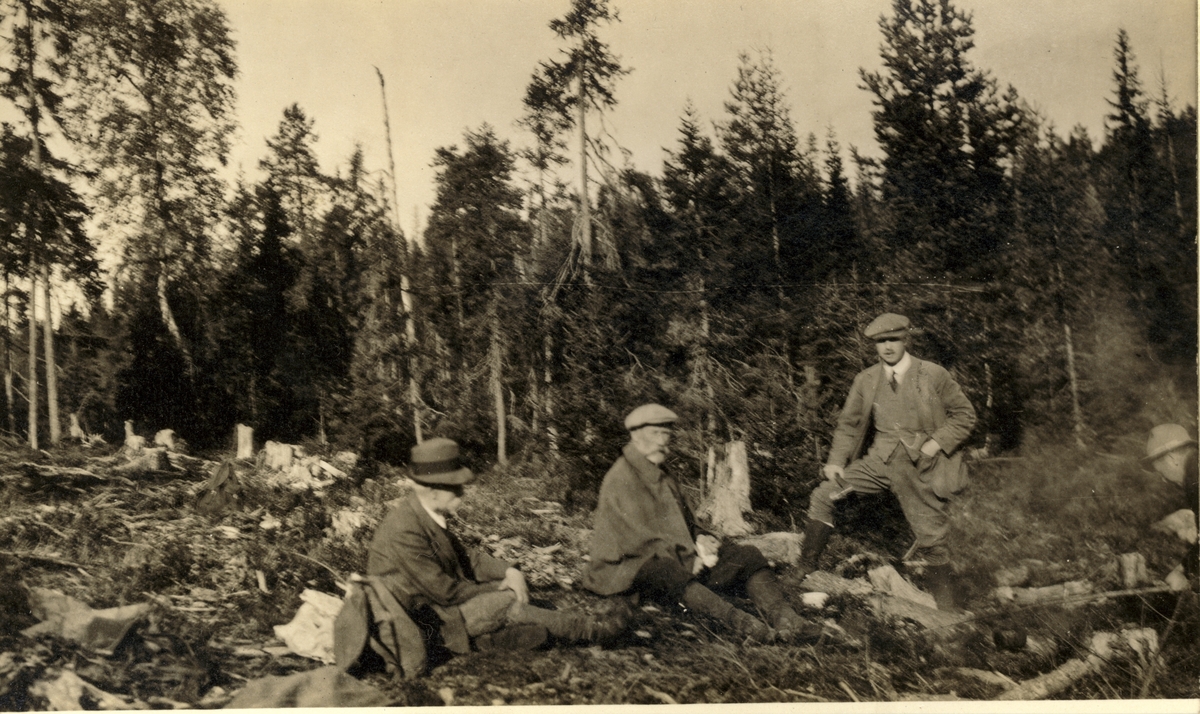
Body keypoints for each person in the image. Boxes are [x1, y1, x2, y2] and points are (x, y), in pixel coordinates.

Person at [337, 435, 628, 678]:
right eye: (455, 487)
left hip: (441, 611)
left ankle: (489, 641)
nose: (462, 493)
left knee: (517, 597)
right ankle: (591, 630)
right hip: (428, 622)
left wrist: (508, 571)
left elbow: (468, 558)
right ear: (432, 490)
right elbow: (445, 591)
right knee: (508, 602)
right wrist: (501, 587)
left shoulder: (425, 514)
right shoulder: (404, 529)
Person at [583, 403, 826, 643]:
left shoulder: (663, 475)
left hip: (677, 559)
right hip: (624, 570)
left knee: (748, 555)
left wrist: (701, 536)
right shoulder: (621, 477)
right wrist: (688, 559)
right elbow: (637, 542)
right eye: (655, 433)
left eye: (666, 434)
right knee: (665, 571)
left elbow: (686, 521)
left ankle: (788, 621)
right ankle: (747, 626)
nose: (662, 441)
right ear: (635, 436)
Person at [798, 313, 977, 610]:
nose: (888, 347)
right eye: (881, 342)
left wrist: (934, 445)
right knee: (823, 495)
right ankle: (804, 569)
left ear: (906, 339)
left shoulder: (932, 374)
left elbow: (965, 415)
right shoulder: (866, 379)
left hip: (921, 467)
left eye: (893, 339)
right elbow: (849, 424)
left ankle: (947, 612)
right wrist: (836, 461)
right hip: (877, 463)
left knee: (932, 538)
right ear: (875, 346)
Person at [1144, 423, 1198, 592]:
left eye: (1161, 473)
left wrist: (1186, 573)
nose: (1164, 480)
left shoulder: (1196, 479)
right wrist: (1182, 569)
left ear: (1171, 458)